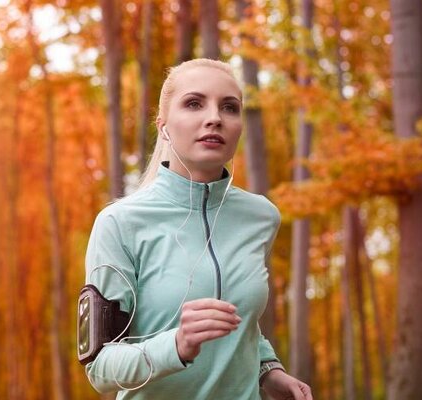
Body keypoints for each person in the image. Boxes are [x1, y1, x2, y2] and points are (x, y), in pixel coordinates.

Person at [80, 58, 313, 400]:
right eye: (194, 103)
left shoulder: (261, 217)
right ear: (163, 126)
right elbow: (100, 369)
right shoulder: (120, 223)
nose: (215, 117)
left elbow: (242, 321)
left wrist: (268, 370)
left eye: (229, 108)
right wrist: (176, 345)